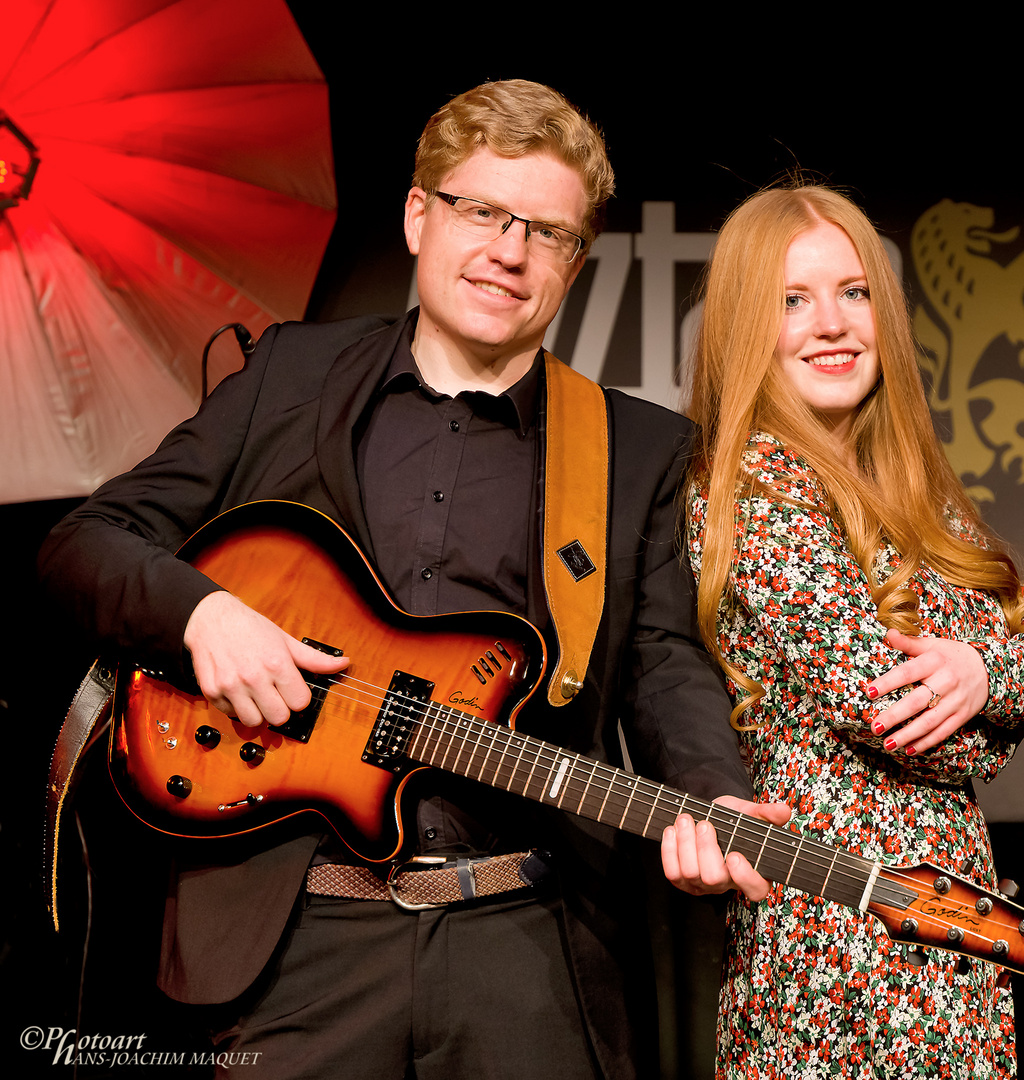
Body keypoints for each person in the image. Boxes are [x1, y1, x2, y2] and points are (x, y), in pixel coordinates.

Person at [38, 80, 774, 1080]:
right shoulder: (290, 375)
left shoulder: (635, 448)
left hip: (523, 947)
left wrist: (714, 796)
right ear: (419, 215)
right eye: (481, 211)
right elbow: (89, 540)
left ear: (575, 264)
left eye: (546, 233)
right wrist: (203, 615)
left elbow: (659, 659)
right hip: (294, 940)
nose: (509, 252)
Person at [678, 184, 1024, 1079]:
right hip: (839, 951)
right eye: (792, 300)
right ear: (745, 324)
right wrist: (1001, 681)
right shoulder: (751, 498)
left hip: (948, 934)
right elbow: (915, 728)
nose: (832, 324)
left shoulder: (912, 492)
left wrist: (985, 673)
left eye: (854, 293)